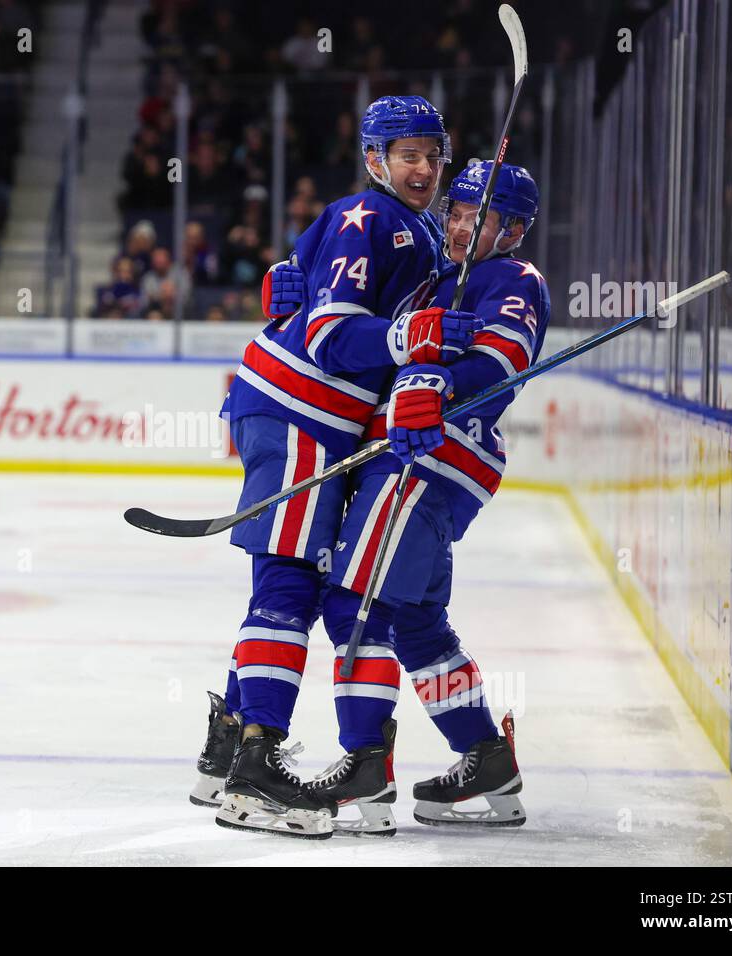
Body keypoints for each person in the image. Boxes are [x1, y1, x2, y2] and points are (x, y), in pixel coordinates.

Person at [194, 96, 480, 839]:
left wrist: (288, 274)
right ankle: (253, 771)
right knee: (288, 579)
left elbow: (304, 264)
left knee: (299, 579)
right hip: (299, 414)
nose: (423, 167)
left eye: (432, 154)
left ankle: (230, 746)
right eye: (407, 153)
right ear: (375, 159)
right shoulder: (377, 219)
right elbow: (330, 334)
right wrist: (409, 336)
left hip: (305, 418)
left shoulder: (400, 224)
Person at [265, 161, 549, 831]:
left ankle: (364, 764)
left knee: (355, 600)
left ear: (510, 229)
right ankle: (486, 757)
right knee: (416, 620)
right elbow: (374, 328)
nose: (456, 224)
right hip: (419, 461)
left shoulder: (512, 278)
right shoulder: (438, 276)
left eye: (475, 217)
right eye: (454, 210)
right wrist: (305, 290)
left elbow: (504, 356)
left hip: (429, 460)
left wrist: (440, 386)